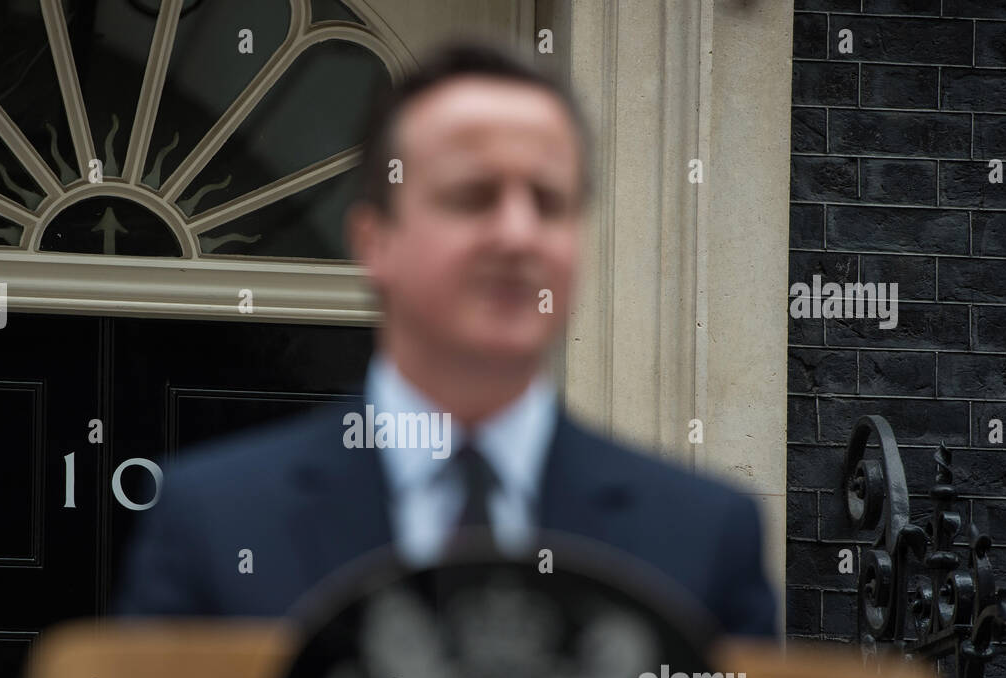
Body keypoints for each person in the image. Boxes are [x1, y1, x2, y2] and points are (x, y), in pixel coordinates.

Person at [113, 41, 778, 639]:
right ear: (375, 241)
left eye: (548, 202)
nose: (517, 235)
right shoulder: (213, 524)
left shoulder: (703, 536)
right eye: (472, 197)